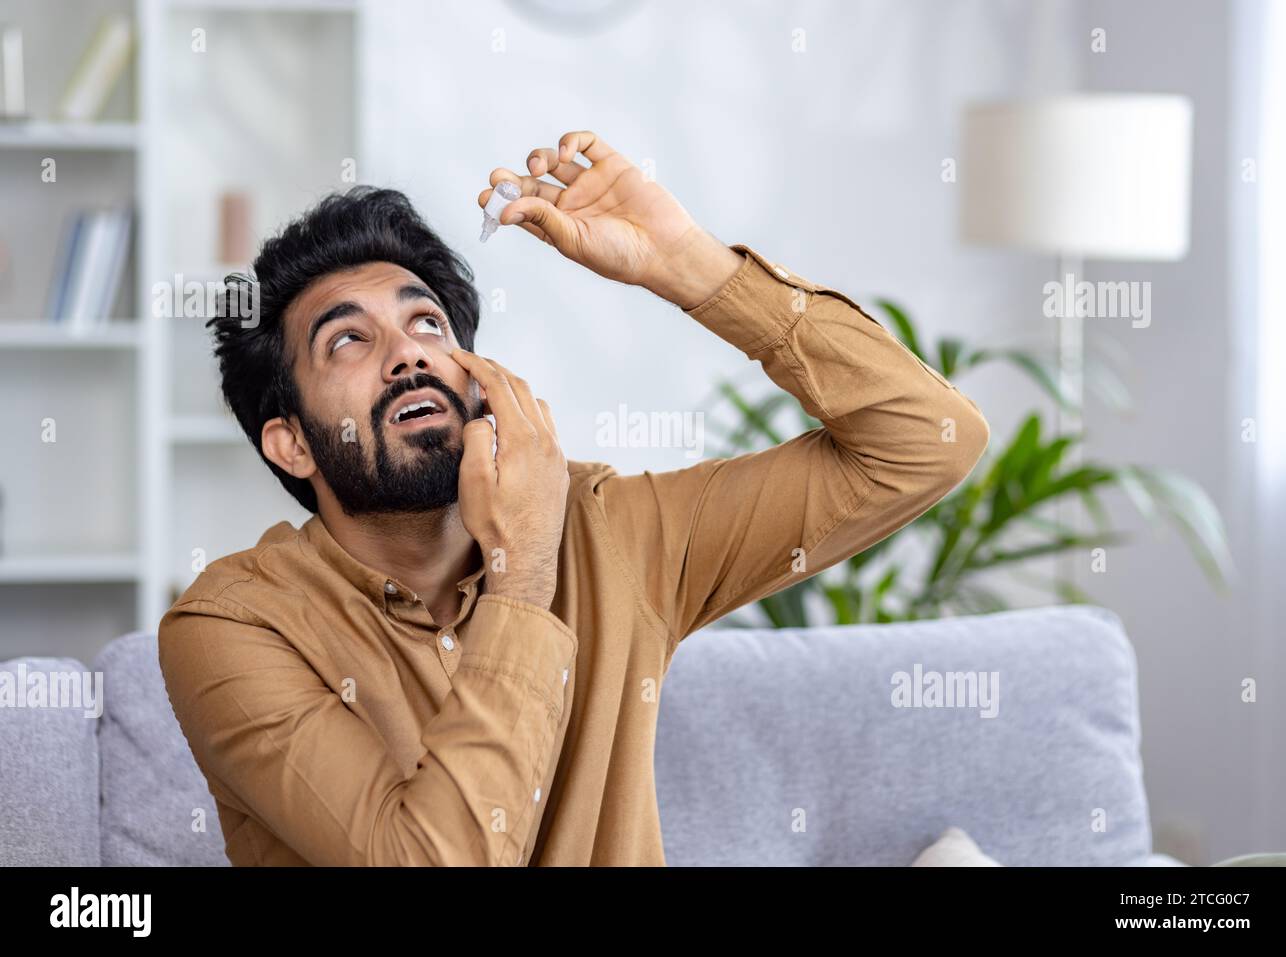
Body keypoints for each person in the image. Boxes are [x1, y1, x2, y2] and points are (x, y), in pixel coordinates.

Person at [157, 129, 990, 866]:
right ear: (291, 439)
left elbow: (929, 441)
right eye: (348, 339)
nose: (406, 354)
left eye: (428, 324)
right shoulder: (231, 627)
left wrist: (693, 269)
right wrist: (521, 568)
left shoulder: (614, 531)